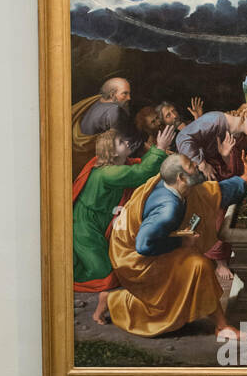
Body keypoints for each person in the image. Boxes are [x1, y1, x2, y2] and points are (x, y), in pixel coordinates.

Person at [106, 151, 247, 337]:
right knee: (199, 266)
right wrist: (182, 240)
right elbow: (143, 245)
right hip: (135, 260)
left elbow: (213, 193)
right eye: (191, 165)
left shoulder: (180, 187)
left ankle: (116, 301)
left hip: (143, 245)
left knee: (191, 269)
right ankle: (222, 327)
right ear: (181, 177)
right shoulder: (168, 209)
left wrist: (245, 178)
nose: (197, 166)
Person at [72, 123, 176, 322]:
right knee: (104, 274)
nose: (126, 143)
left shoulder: (116, 166)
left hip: (95, 222)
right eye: (120, 142)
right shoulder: (109, 172)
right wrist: (160, 149)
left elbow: (137, 166)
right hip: (83, 228)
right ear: (111, 152)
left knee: (112, 268)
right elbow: (139, 173)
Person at [175, 102, 247, 181]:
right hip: (198, 176)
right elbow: (183, 137)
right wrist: (202, 164)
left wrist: (224, 156)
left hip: (218, 180)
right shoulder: (215, 120)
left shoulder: (241, 137)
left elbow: (233, 171)